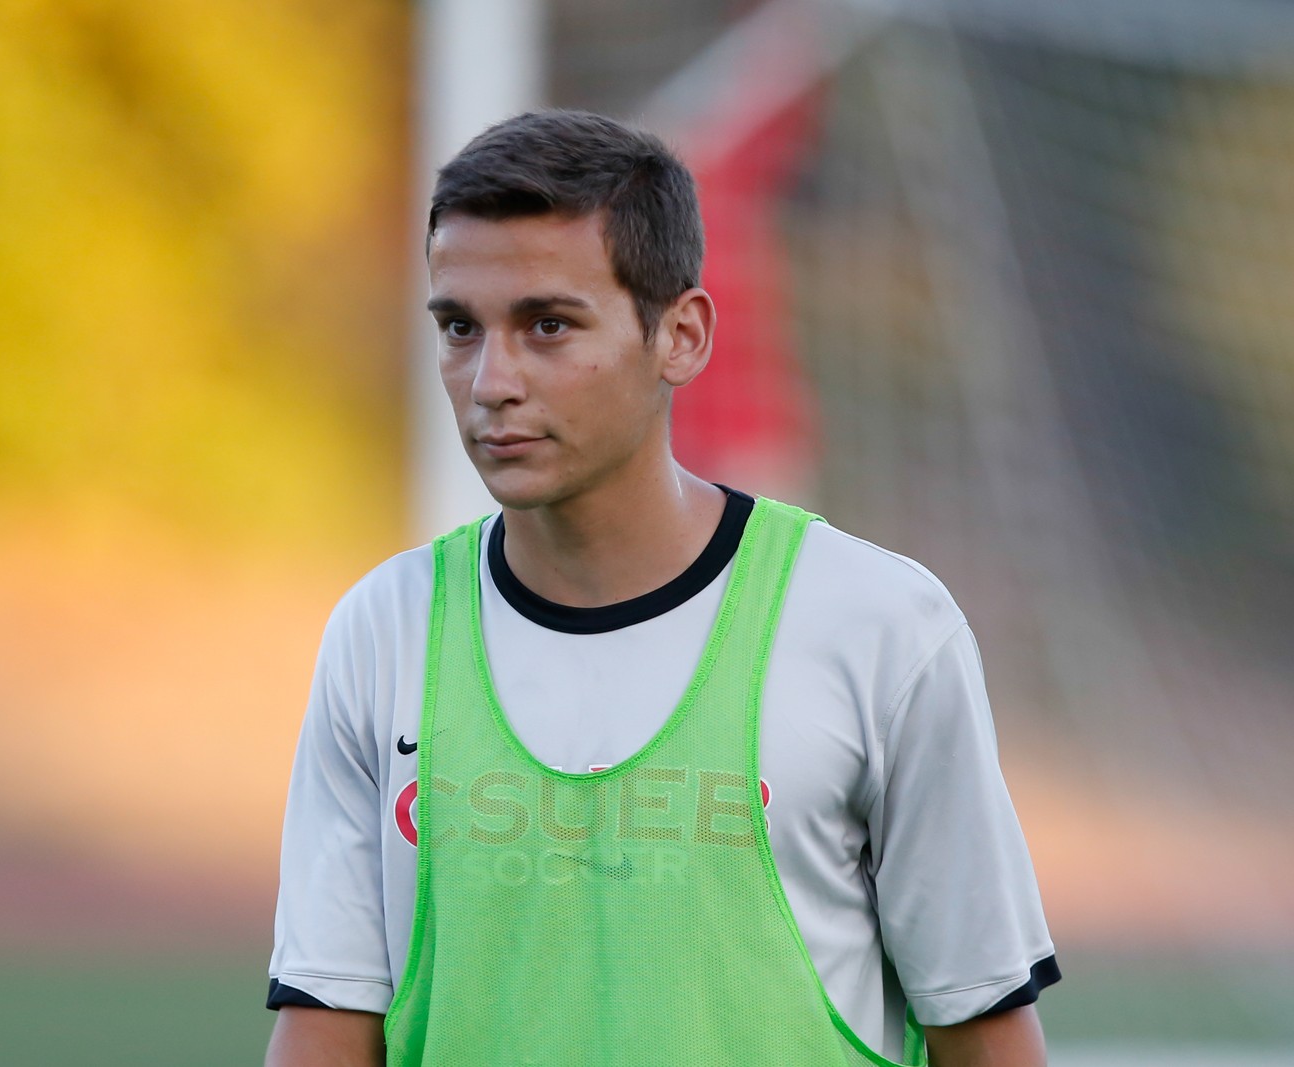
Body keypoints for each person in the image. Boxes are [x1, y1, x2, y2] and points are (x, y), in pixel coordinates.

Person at [264, 109, 1058, 1067]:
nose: (490, 380)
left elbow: (985, 1035)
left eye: (548, 325)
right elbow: (323, 1034)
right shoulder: (383, 631)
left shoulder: (881, 626)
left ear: (681, 336)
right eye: (460, 328)